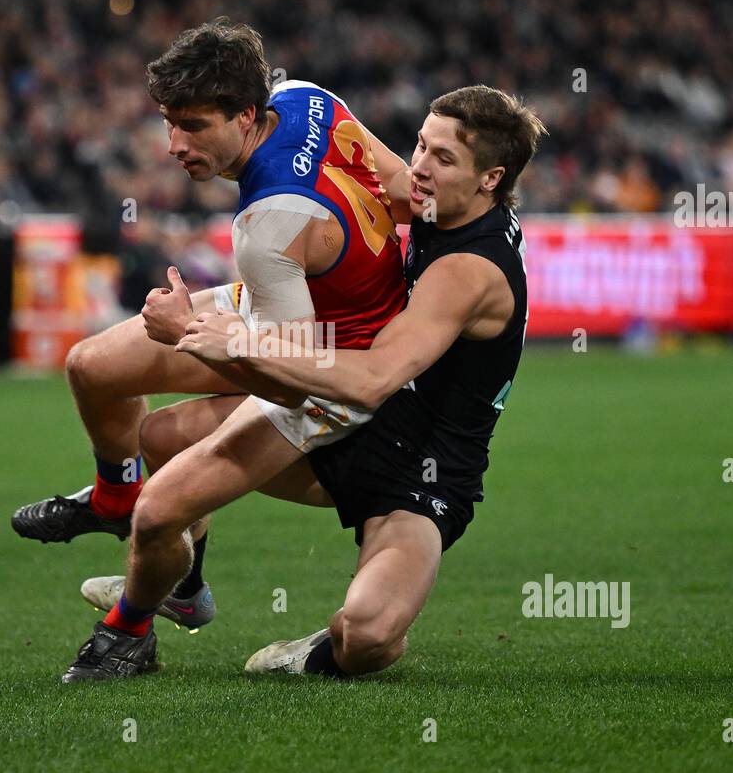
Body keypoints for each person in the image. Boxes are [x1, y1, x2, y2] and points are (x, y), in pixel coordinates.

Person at [6, 18, 412, 678]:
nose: (173, 144)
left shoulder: (268, 222)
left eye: (193, 126)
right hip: (294, 305)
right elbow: (401, 191)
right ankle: (115, 501)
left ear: (246, 114)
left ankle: (134, 628)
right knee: (93, 367)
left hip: (335, 362)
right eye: (169, 122)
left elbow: (292, 382)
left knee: (162, 461)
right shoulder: (309, 97)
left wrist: (190, 335)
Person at [140, 85, 546, 678]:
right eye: (420, 146)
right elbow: (347, 170)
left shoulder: (470, 270)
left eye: (442, 159)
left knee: (366, 637)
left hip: (423, 471)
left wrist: (239, 340)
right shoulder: (446, 203)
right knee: (161, 434)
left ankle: (305, 654)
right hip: (362, 428)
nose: (420, 170)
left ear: (491, 178)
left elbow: (371, 379)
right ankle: (174, 576)